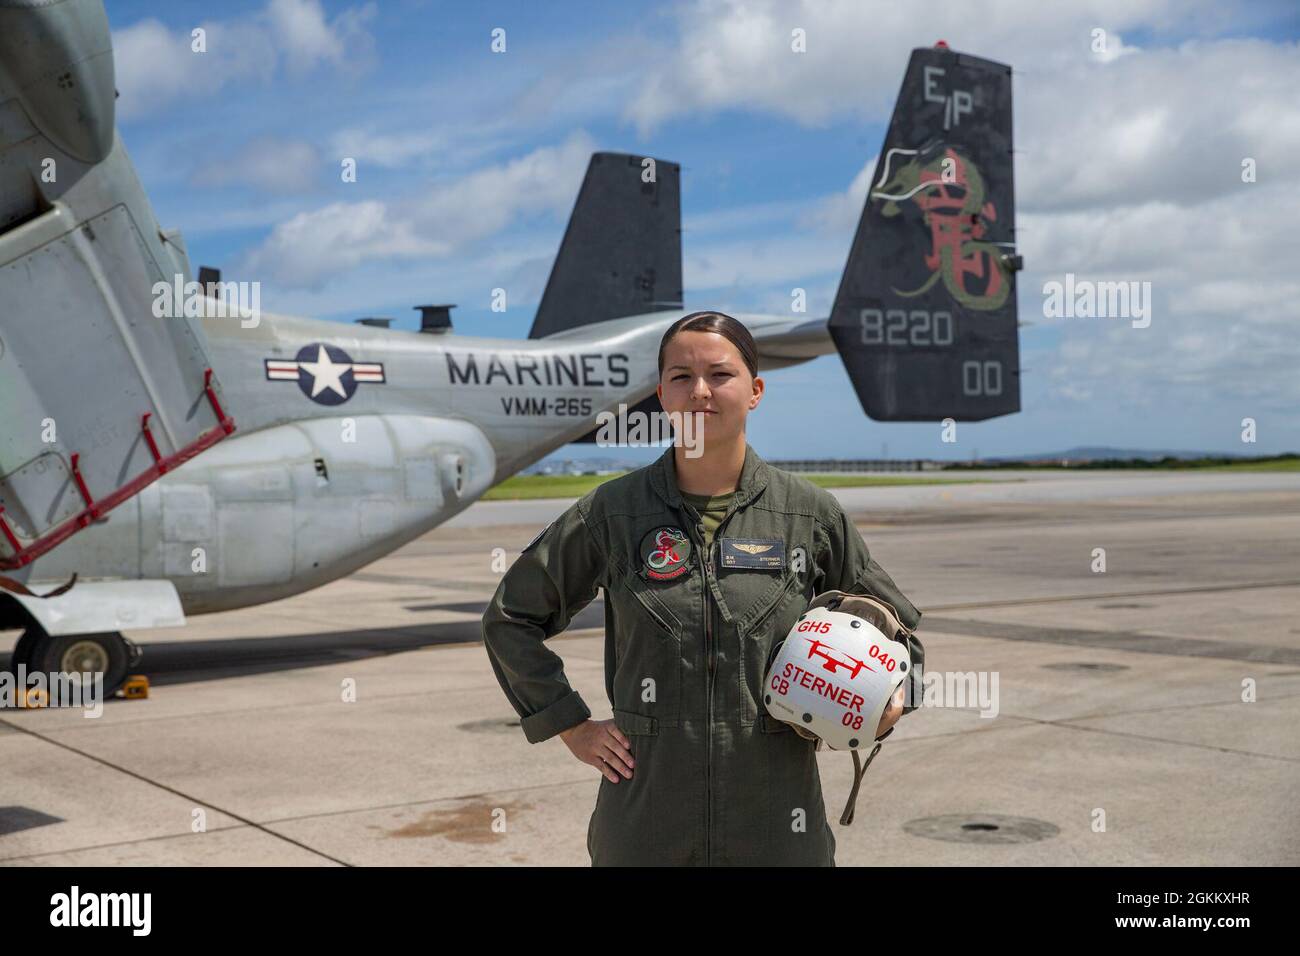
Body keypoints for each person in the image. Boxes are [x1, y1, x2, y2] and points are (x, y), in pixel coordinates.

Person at [481, 310, 923, 866]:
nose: (700, 392)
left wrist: (892, 700)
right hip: (645, 823)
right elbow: (510, 618)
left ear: (756, 390)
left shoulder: (808, 514)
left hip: (777, 823)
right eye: (681, 377)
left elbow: (899, 632)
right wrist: (568, 723)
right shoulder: (612, 513)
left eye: (720, 374)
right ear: (661, 394)